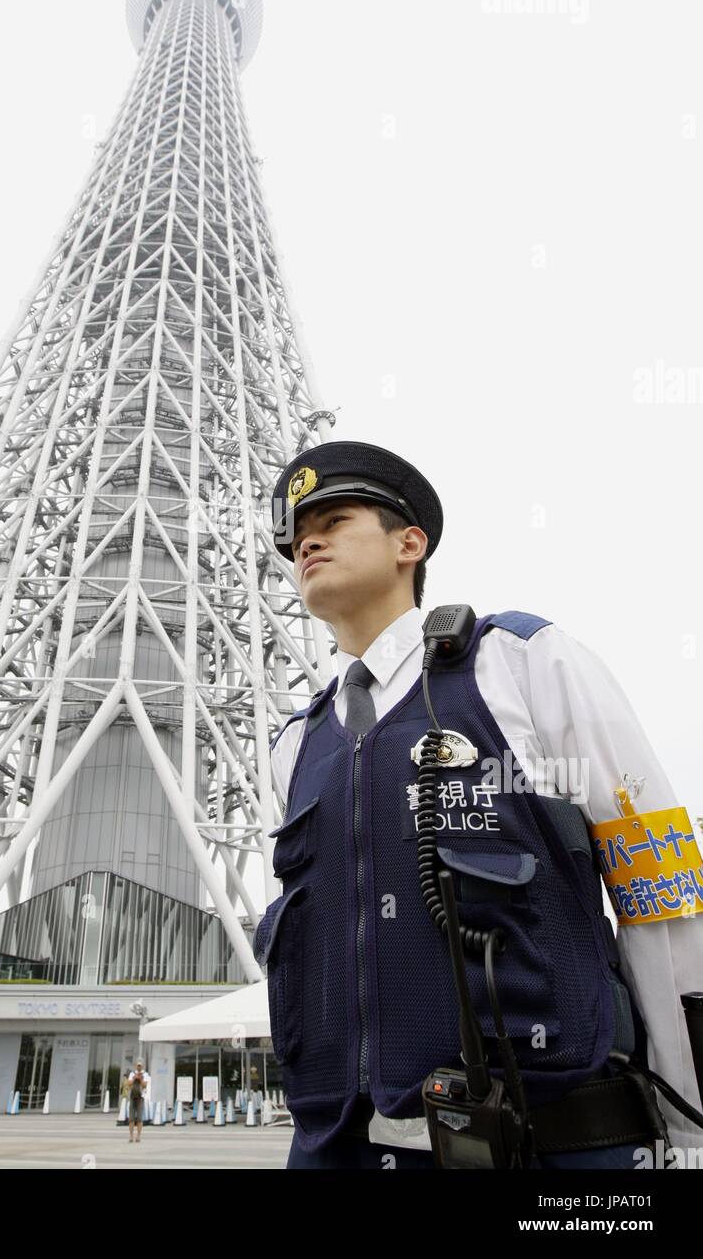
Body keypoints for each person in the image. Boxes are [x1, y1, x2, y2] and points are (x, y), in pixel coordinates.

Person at [258, 440, 703, 1170]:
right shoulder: (295, 747)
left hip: (542, 1142)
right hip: (338, 1147)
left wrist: (690, 1126)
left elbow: (661, 885)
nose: (307, 540)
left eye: (334, 519)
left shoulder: (522, 664)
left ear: (411, 542)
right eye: (296, 536)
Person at [126, 1060, 150, 1143]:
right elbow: (129, 1083)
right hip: (132, 1097)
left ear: (142, 1066)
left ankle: (138, 1136)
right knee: (131, 1118)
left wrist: (140, 1079)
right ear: (136, 1066)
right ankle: (131, 1136)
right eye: (138, 1065)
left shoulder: (145, 1074)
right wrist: (134, 1078)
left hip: (141, 1097)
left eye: (140, 1065)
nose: (139, 1067)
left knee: (139, 1118)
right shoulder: (132, 1073)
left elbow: (145, 1085)